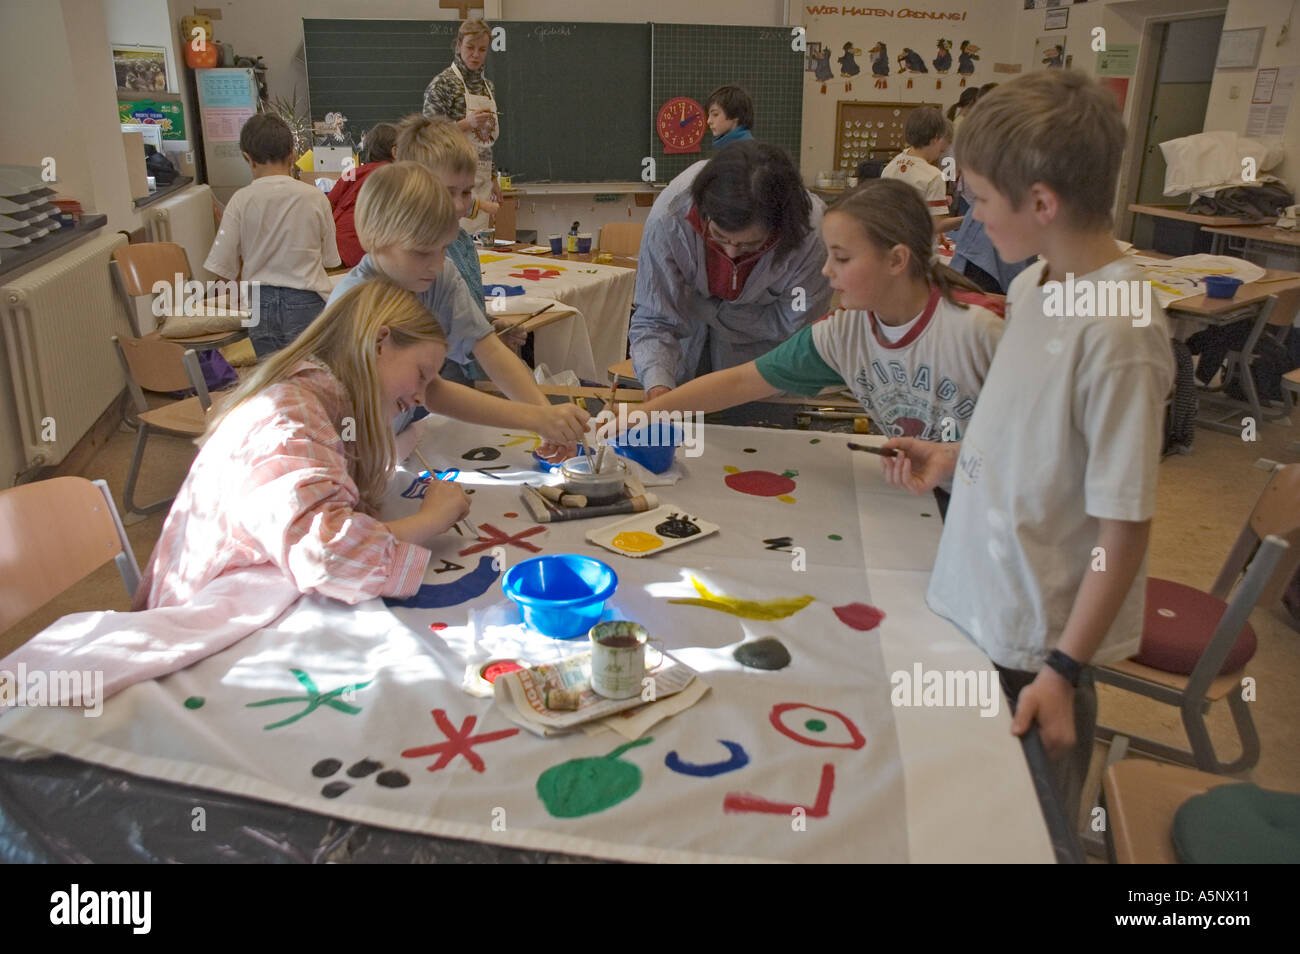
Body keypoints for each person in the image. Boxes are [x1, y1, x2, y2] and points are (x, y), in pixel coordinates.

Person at [880, 70, 1175, 834]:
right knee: (965, 815)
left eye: (977, 200)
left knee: (1029, 830)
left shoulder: (1121, 333)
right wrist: (955, 460)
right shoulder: (1039, 284)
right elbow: (1030, 431)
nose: (968, 216)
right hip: (979, 600)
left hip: (1039, 644)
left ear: (1041, 204)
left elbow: (1124, 529)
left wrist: (1065, 669)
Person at [134, 279, 468, 610]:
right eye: (421, 374)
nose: (420, 397)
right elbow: (326, 558)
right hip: (202, 615)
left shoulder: (326, 402)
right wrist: (433, 519)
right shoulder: (290, 419)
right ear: (380, 342)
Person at [628, 178, 1002, 454]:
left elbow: (1048, 451)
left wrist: (954, 461)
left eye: (841, 258)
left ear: (897, 259)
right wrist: (645, 415)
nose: (825, 271)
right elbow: (741, 382)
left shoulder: (982, 330)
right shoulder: (843, 333)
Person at [329, 161, 586, 461]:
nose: (437, 264)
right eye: (423, 252)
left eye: (444, 248)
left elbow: (488, 350)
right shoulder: (353, 307)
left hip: (387, 445)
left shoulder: (436, 275)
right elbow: (432, 394)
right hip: (346, 453)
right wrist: (535, 418)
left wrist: (545, 421)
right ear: (375, 239)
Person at [629, 140, 832, 400]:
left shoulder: (811, 235)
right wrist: (658, 386)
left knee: (760, 432)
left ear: (780, 228)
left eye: (751, 244)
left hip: (765, 362)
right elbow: (654, 319)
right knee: (685, 428)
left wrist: (713, 311)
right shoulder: (670, 217)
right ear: (703, 214)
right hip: (689, 342)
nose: (732, 253)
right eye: (719, 237)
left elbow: (795, 334)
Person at [204, 113, 341, 358]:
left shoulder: (240, 200)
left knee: (272, 378)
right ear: (293, 155)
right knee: (312, 374)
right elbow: (331, 260)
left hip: (260, 303)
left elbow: (222, 266)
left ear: (248, 158)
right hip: (307, 301)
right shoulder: (316, 198)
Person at [423, 18, 501, 232]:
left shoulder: (488, 88)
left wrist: (493, 177)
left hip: (482, 178)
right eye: (470, 47)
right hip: (452, 181)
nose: (476, 55)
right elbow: (428, 134)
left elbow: (486, 139)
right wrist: (466, 124)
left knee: (481, 253)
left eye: (482, 49)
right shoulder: (443, 83)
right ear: (458, 45)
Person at [880, 107, 962, 235]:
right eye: (941, 151)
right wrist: (968, 219)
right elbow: (937, 225)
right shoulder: (933, 176)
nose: (940, 155)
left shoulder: (891, 165)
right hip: (916, 242)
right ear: (936, 140)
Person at [328, 122, 397, 268]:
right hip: (359, 254)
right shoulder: (395, 176)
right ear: (395, 151)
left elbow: (327, 204)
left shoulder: (352, 173)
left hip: (332, 247)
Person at [706, 85, 754, 149]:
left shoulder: (746, 152)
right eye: (709, 115)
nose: (709, 121)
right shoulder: (732, 148)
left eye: (715, 114)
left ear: (735, 114)